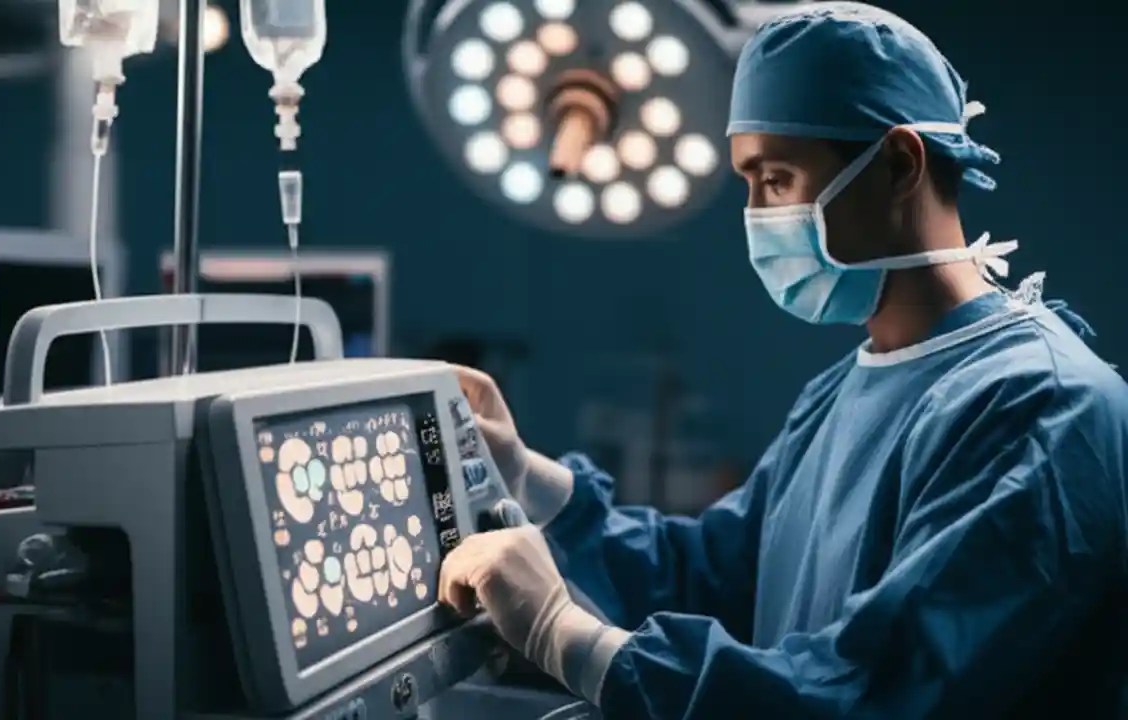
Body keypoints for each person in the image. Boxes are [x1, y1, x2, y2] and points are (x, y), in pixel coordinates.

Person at [436, 3, 1128, 717]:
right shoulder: (847, 388)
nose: (759, 219)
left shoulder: (1041, 411)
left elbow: (870, 694)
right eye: (746, 184)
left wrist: (566, 636)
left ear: (898, 164)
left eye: (776, 180)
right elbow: (719, 575)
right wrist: (526, 475)